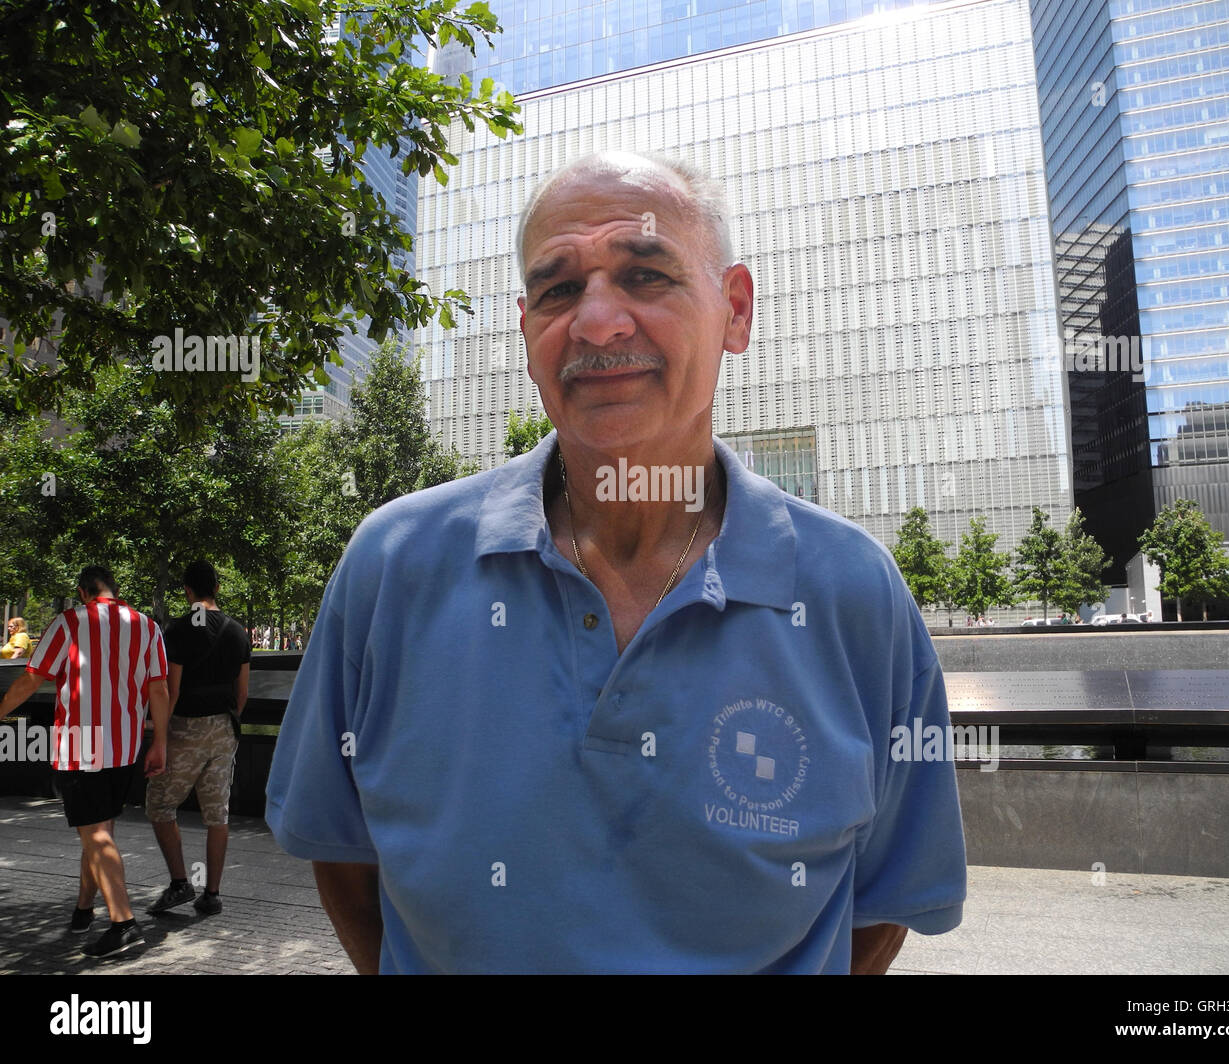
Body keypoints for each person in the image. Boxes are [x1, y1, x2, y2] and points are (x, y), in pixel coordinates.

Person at [267, 151, 966, 974]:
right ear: (528, 331)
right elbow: (345, 861)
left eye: (645, 275)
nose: (597, 323)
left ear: (734, 312)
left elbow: (879, 906)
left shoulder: (855, 592)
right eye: (559, 289)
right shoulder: (392, 565)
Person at [0, 566, 169, 957]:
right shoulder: (147, 627)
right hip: (126, 747)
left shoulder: (68, 624)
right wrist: (159, 742)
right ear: (116, 590)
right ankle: (83, 909)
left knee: (94, 835)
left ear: (82, 592)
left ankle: (123, 922)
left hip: (81, 746)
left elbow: (32, 678)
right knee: (99, 832)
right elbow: (158, 689)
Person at [145, 561, 250, 917]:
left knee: (160, 805)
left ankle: (179, 884)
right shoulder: (238, 632)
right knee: (217, 815)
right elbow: (243, 695)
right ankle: (213, 894)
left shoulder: (176, 629)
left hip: (185, 729)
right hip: (224, 730)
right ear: (217, 588)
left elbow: (170, 691)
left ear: (187, 591)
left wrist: (159, 739)